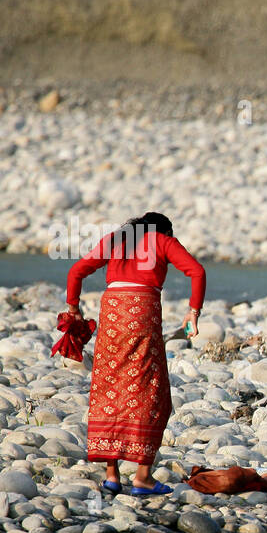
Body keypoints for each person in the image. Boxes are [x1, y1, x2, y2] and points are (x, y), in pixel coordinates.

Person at [64, 212, 206, 496]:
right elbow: (197, 271)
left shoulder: (117, 240)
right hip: (143, 312)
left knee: (109, 385)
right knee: (153, 390)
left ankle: (112, 475)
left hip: (113, 313)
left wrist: (73, 308)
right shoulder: (163, 241)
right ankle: (142, 477)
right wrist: (193, 311)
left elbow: (76, 271)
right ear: (164, 230)